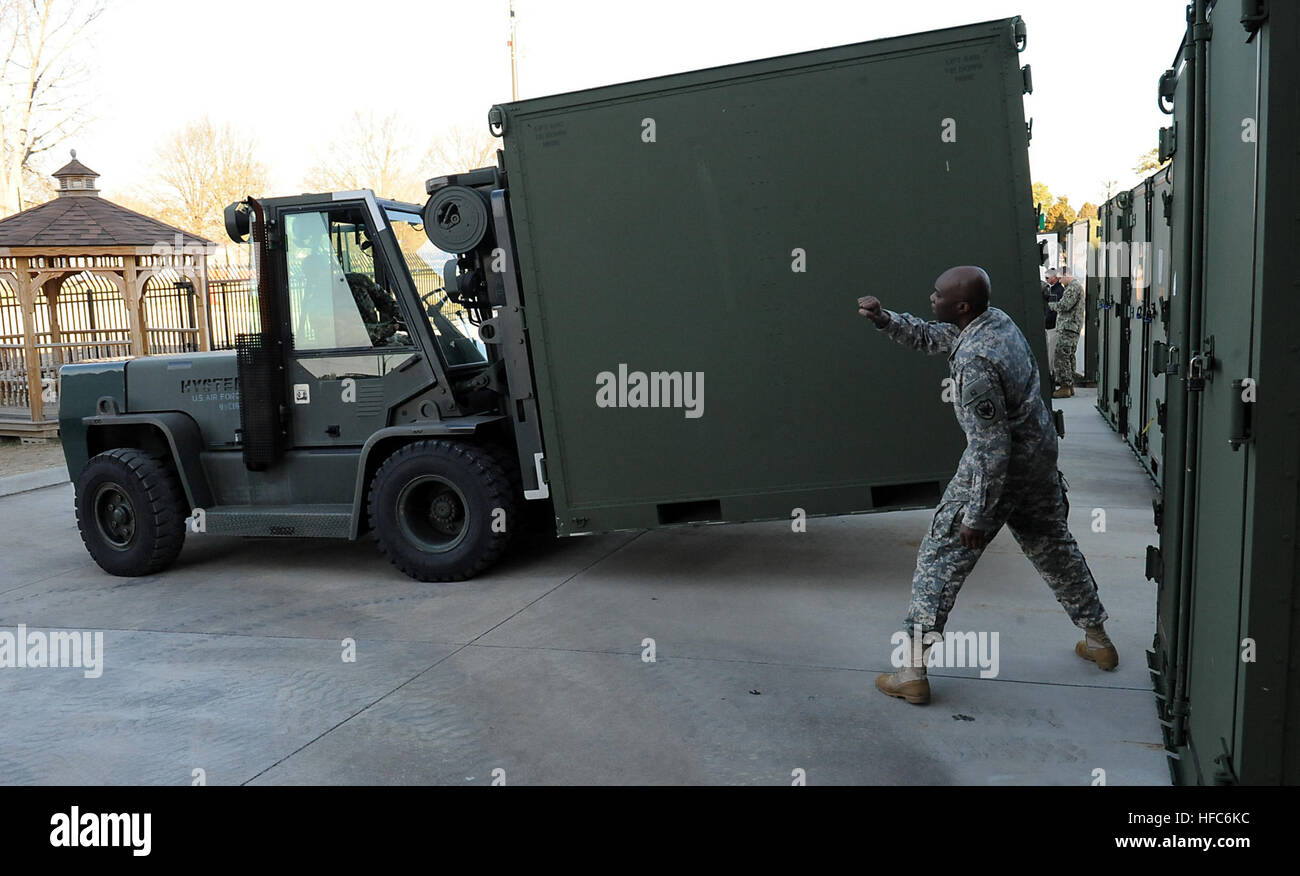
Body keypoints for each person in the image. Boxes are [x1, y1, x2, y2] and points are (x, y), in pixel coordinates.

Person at [857, 266, 1116, 706]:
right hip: (1039, 462)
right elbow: (931, 336)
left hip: (1001, 470)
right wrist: (885, 319)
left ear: (961, 306)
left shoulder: (976, 363)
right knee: (1054, 547)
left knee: (939, 560)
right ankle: (1098, 640)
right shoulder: (995, 323)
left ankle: (911, 672)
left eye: (938, 295)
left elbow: (991, 448)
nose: (931, 297)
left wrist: (977, 514)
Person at [1048, 269, 1084, 398]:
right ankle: (1070, 385)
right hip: (1071, 327)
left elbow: (1064, 305)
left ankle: (1065, 386)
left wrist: (1051, 305)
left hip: (1068, 327)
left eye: (1061, 278)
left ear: (1066, 275)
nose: (1060, 281)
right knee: (1069, 356)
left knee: (1061, 356)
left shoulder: (1073, 288)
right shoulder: (1075, 287)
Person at [1042, 267, 1063, 381]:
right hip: (1050, 326)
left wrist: (1047, 321)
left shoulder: (1057, 291)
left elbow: (1053, 310)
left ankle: (1052, 377)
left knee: (1051, 355)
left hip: (1053, 326)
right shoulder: (1053, 290)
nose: (1046, 280)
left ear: (1054, 278)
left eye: (1047, 278)